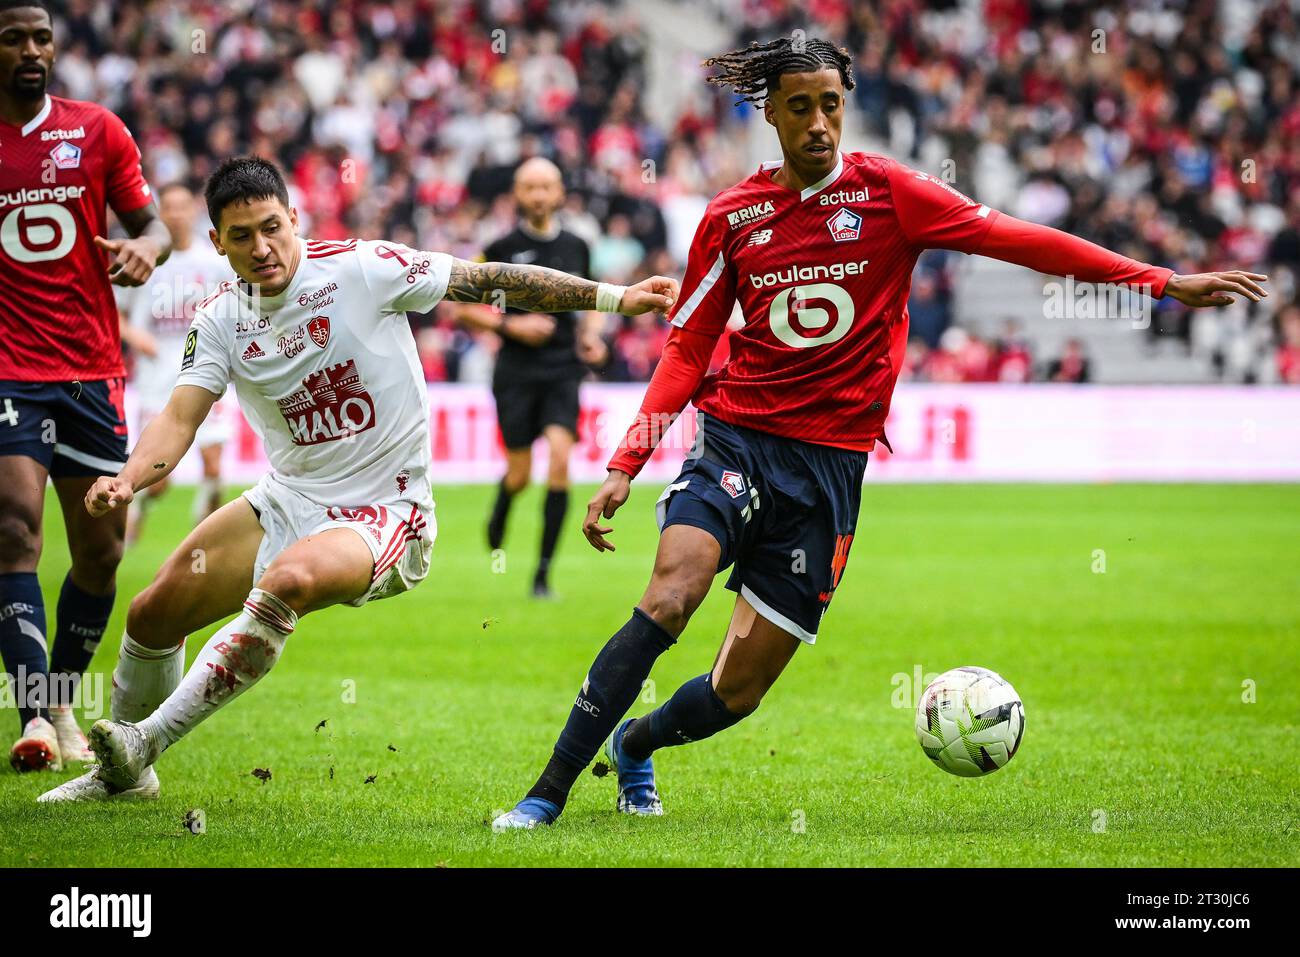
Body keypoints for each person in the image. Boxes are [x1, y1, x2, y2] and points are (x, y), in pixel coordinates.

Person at [493, 36, 1269, 828]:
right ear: (770, 113)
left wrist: (1160, 281)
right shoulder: (733, 217)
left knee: (739, 690)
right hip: (735, 439)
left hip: (828, 471)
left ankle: (636, 744)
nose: (821, 122)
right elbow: (689, 347)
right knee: (671, 592)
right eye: (801, 106)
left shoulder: (893, 194)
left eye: (832, 103)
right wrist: (628, 460)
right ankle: (546, 792)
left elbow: (1018, 239)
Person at [39, 155, 676, 802]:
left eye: (271, 228)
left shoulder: (363, 267)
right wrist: (126, 479)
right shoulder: (219, 320)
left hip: (385, 512)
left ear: (294, 217)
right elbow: (178, 421)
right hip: (288, 499)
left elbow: (486, 280)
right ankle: (122, 777)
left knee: (287, 583)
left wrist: (613, 297)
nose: (261, 248)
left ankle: (145, 740)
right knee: (151, 613)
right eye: (241, 237)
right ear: (216, 243)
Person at [0, 0, 171, 772]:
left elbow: (156, 226)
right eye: (13, 39)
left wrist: (144, 250)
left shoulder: (97, 129)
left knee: (100, 550)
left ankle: (63, 696)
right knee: (12, 528)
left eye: (41, 37)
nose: (31, 50)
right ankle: (33, 712)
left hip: (91, 369)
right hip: (7, 369)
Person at [455, 157, 608, 598]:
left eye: (546, 187)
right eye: (530, 187)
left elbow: (593, 301)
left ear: (559, 193)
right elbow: (462, 305)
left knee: (561, 459)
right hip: (516, 372)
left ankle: (542, 576)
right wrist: (510, 326)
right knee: (520, 474)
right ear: (517, 195)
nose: (539, 195)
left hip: (562, 370)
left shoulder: (578, 245)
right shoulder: (499, 247)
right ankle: (504, 503)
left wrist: (592, 338)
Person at [118, 182, 232, 546]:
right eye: (169, 208)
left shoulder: (214, 263)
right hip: (156, 382)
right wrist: (138, 338)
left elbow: (236, 312)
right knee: (158, 479)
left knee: (214, 466)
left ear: (195, 211)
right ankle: (138, 510)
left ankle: (203, 540)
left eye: (184, 207)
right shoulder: (144, 261)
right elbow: (114, 316)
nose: (178, 215)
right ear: (159, 214)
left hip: (205, 376)